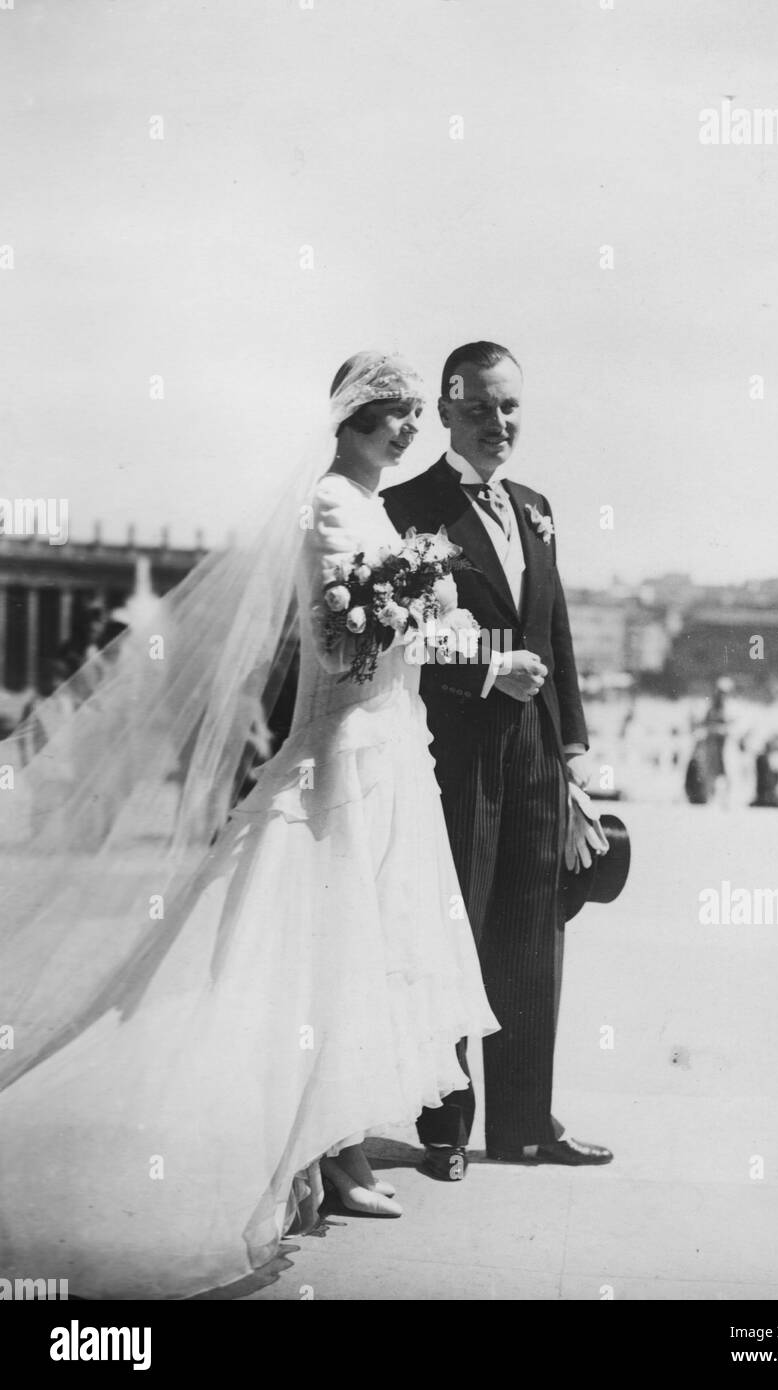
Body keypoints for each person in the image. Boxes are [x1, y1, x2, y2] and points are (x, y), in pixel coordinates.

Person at [0, 351, 497, 1299]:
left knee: (363, 946)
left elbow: (392, 629)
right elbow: (343, 636)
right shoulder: (332, 505)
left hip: (391, 751)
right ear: (350, 419)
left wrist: (438, 619)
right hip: (345, 754)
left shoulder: (376, 506)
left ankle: (334, 1148)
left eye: (408, 418)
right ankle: (321, 1154)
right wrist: (420, 606)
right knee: (325, 946)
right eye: (389, 416)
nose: (406, 430)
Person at [383, 341, 611, 1178]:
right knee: (456, 927)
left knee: (531, 935)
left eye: (509, 406)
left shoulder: (538, 506)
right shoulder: (406, 507)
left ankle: (524, 1124)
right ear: (443, 411)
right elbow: (391, 643)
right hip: (456, 751)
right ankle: (445, 1130)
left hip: (540, 756)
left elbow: (556, 634)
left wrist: (577, 755)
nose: (497, 422)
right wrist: (484, 675)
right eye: (478, 406)